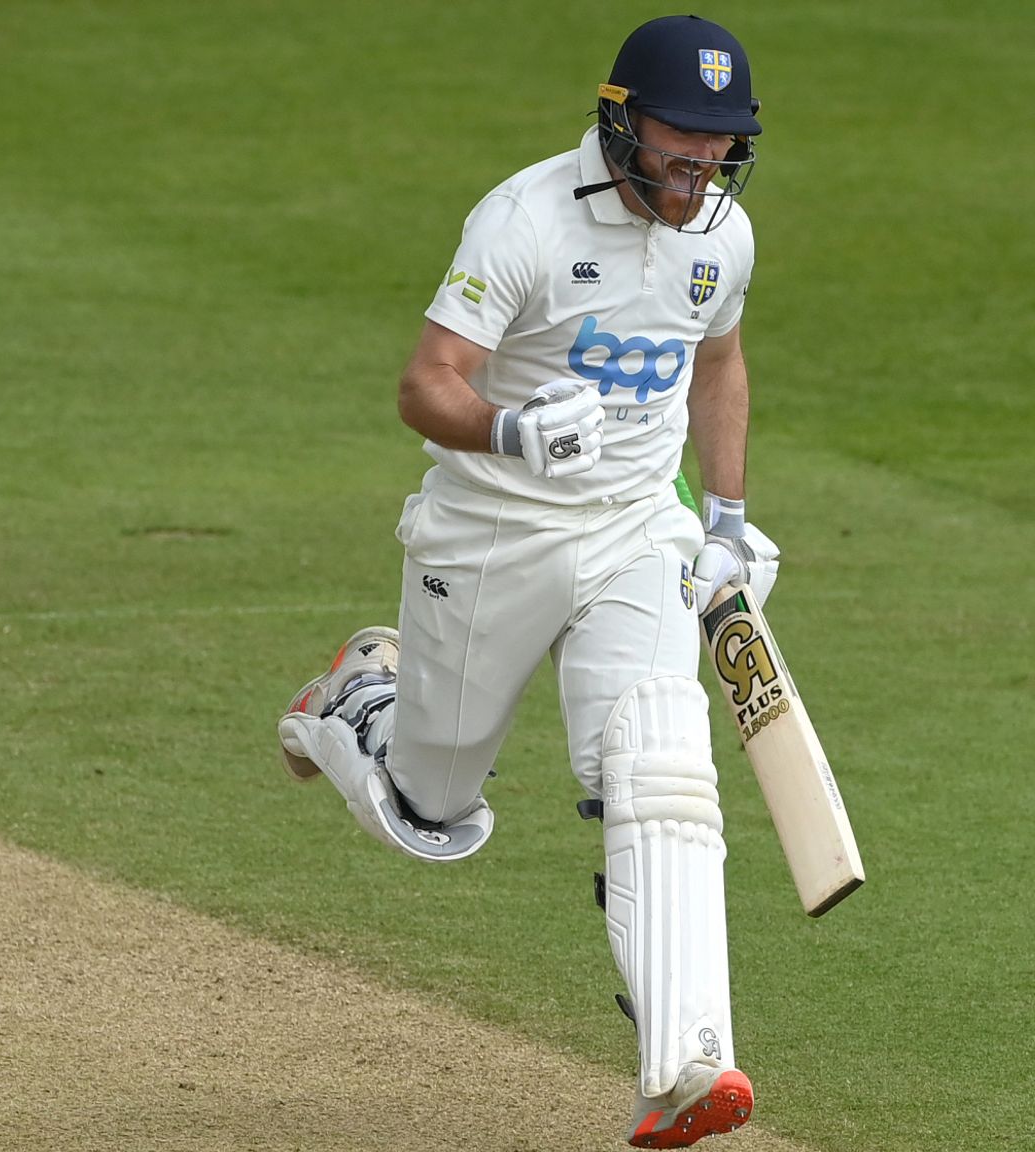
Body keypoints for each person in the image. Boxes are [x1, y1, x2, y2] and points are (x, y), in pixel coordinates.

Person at [274, 15, 780, 1150]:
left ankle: (685, 1061)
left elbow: (718, 365)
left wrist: (727, 521)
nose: (699, 170)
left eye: (720, 147)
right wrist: (507, 429)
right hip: (488, 531)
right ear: (618, 122)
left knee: (657, 763)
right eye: (678, 142)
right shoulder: (522, 222)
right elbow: (424, 385)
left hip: (631, 529)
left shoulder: (721, 236)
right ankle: (357, 699)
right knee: (432, 818)